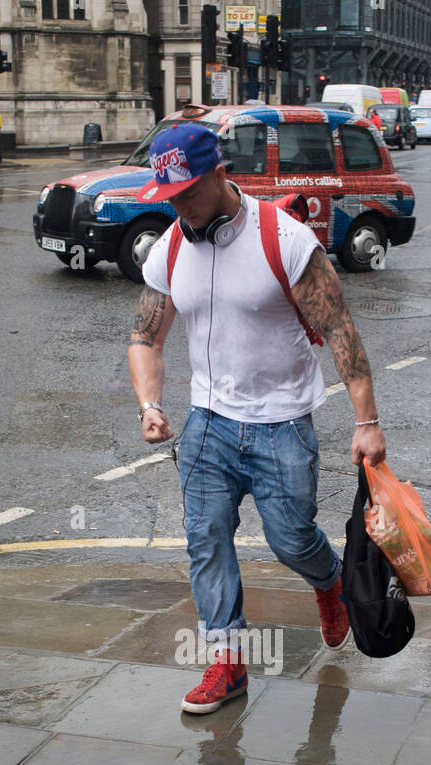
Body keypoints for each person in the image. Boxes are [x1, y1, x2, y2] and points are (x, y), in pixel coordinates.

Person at [127, 122, 385, 714]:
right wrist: (150, 405)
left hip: (282, 424)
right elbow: (145, 335)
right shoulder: (171, 247)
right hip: (206, 426)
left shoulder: (284, 239)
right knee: (206, 540)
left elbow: (340, 328)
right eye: (169, 198)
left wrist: (366, 421)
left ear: (221, 174)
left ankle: (331, 583)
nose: (181, 209)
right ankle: (226, 663)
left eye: (189, 193)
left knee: (291, 538)